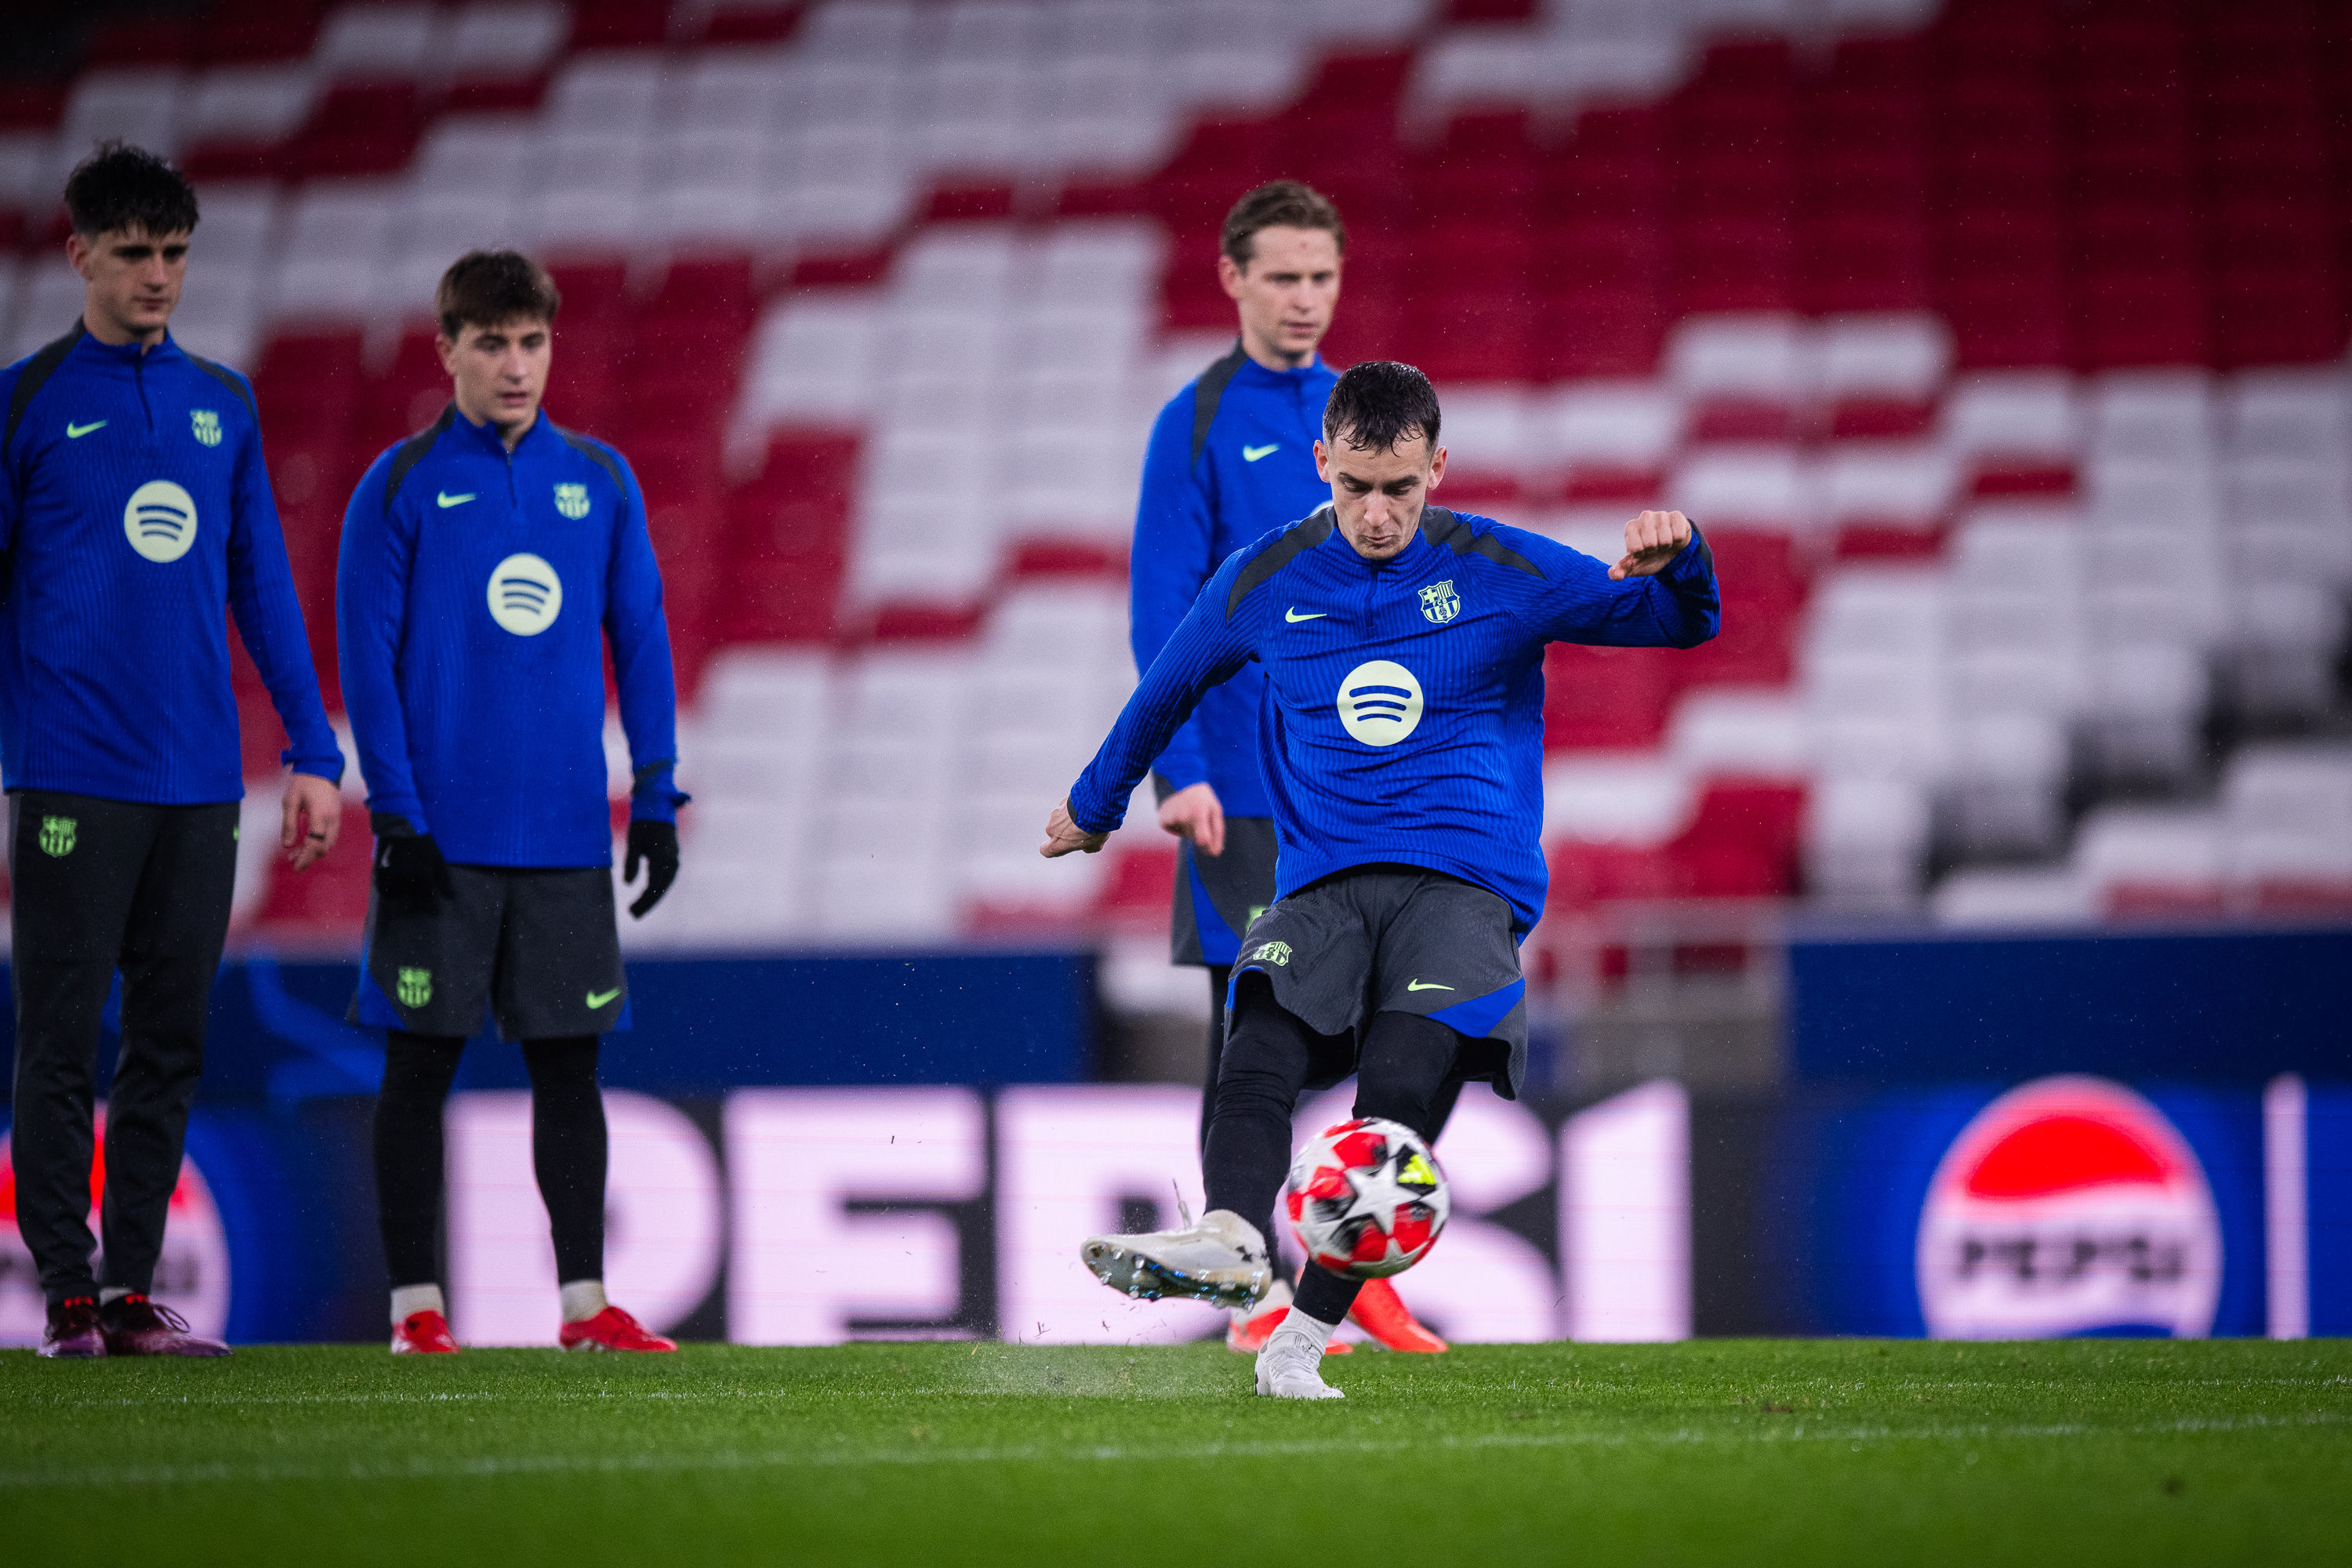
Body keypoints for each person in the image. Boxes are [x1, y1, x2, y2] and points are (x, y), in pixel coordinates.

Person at [1044, 362, 1719, 1397]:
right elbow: (1165, 690)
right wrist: (1096, 806)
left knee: (1395, 1106)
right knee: (1257, 1045)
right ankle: (1231, 1236)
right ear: (1322, 463)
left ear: (1437, 468)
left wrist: (1682, 563)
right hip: (1323, 883)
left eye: (1399, 489)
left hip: (1463, 886)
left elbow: (1669, 622)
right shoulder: (1263, 579)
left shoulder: (1497, 566)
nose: (1375, 511)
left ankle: (1301, 1341)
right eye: (1354, 485)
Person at [1, 143, 346, 1359]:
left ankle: (134, 1291)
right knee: (58, 1033)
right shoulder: (27, 399)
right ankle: (65, 1294)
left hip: (201, 782)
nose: (160, 276)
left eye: (176, 254)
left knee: (170, 1040)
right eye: (137, 253)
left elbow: (261, 586)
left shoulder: (223, 405)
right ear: (79, 252)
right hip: (68, 778)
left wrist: (313, 744)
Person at [337, 250, 687, 1356]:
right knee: (419, 1062)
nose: (515, 364)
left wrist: (660, 797)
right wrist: (395, 812)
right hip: (441, 834)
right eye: (491, 342)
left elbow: (641, 640)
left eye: (531, 341)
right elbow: (365, 656)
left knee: (569, 1066)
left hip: (566, 833)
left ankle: (585, 1308)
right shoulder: (397, 486)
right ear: (446, 350)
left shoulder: (602, 480)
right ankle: (415, 1312)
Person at [1131, 180, 1445, 1356]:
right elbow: (1163, 606)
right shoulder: (1197, 420)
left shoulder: (1357, 419)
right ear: (1234, 279)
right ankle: (1252, 1284)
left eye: (1322, 277)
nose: (1306, 299)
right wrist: (1180, 772)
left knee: (1391, 1019)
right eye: (1283, 276)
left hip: (1355, 784)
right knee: (1250, 1031)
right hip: (1238, 788)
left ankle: (1350, 1258)